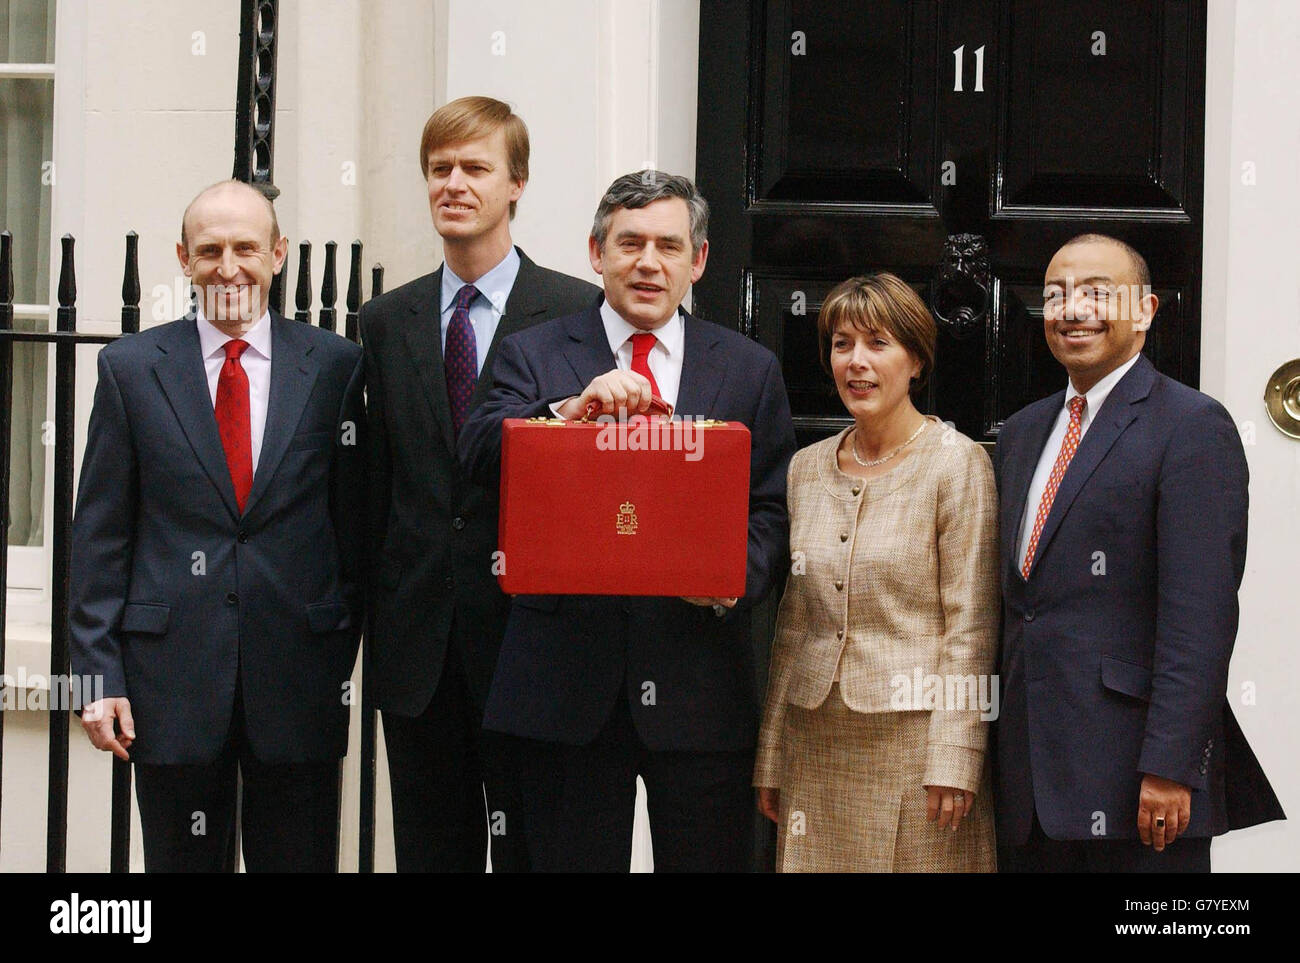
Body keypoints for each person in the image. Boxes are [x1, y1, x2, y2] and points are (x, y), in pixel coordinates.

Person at [458, 171, 797, 872]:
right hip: (564, 688)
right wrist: (568, 410)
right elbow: (479, 451)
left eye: (670, 246)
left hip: (700, 685)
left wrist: (733, 577)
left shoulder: (747, 367)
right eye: (630, 243)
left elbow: (772, 507)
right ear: (596, 252)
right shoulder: (534, 352)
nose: (649, 263)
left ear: (697, 261)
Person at [70, 180, 365, 872]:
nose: (228, 266)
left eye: (245, 248)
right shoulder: (132, 370)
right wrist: (95, 675)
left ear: (278, 253)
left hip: (298, 681)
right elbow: (100, 536)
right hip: (168, 684)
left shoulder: (336, 367)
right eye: (209, 250)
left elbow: (354, 526)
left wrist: (334, 641)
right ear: (183, 257)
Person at [359, 96, 599, 872]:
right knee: (432, 853)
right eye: (439, 169)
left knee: (532, 851)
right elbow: (374, 482)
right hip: (419, 646)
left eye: (474, 167)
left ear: (516, 183)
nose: (452, 184)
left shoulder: (575, 311)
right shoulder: (384, 320)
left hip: (533, 639)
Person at [993, 233, 1285, 872]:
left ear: (1147, 310)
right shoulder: (1019, 433)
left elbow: (1200, 619)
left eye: (1097, 292)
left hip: (1138, 788)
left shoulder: (1191, 426)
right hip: (1029, 789)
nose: (1072, 309)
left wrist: (1171, 766)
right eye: (1056, 295)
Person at [752, 274, 999, 872]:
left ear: (916, 359)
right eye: (841, 345)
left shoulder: (957, 463)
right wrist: (771, 758)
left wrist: (955, 755)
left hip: (916, 750)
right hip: (814, 744)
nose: (856, 363)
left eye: (877, 343)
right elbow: (793, 623)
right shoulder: (806, 469)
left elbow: (972, 626)